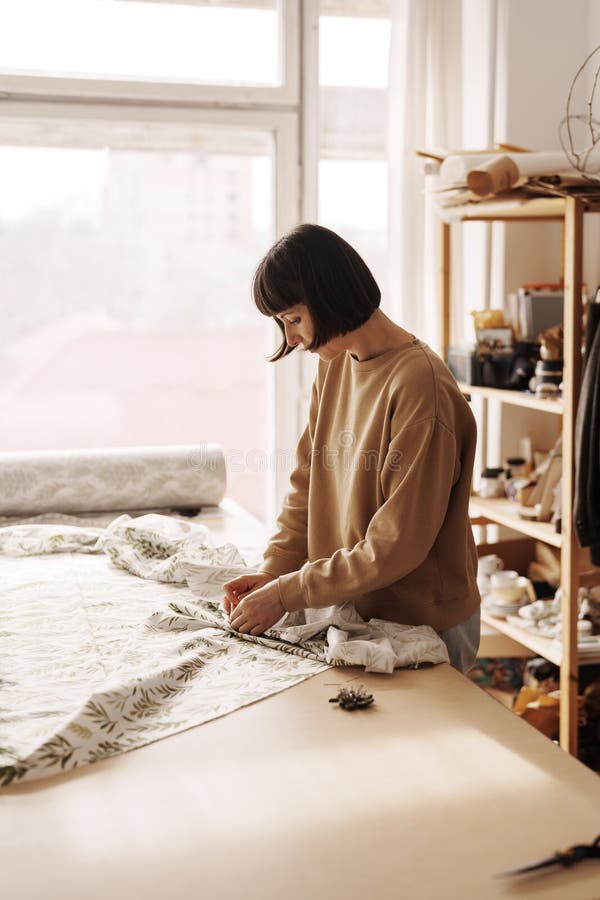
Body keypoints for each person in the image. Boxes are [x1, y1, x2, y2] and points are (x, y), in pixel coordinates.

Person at [223, 223, 480, 672]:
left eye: (294, 320)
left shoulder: (422, 389)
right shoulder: (337, 363)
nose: (291, 340)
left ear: (330, 297)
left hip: (424, 626)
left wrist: (287, 592)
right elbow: (308, 484)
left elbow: (395, 546)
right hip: (359, 615)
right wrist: (274, 569)